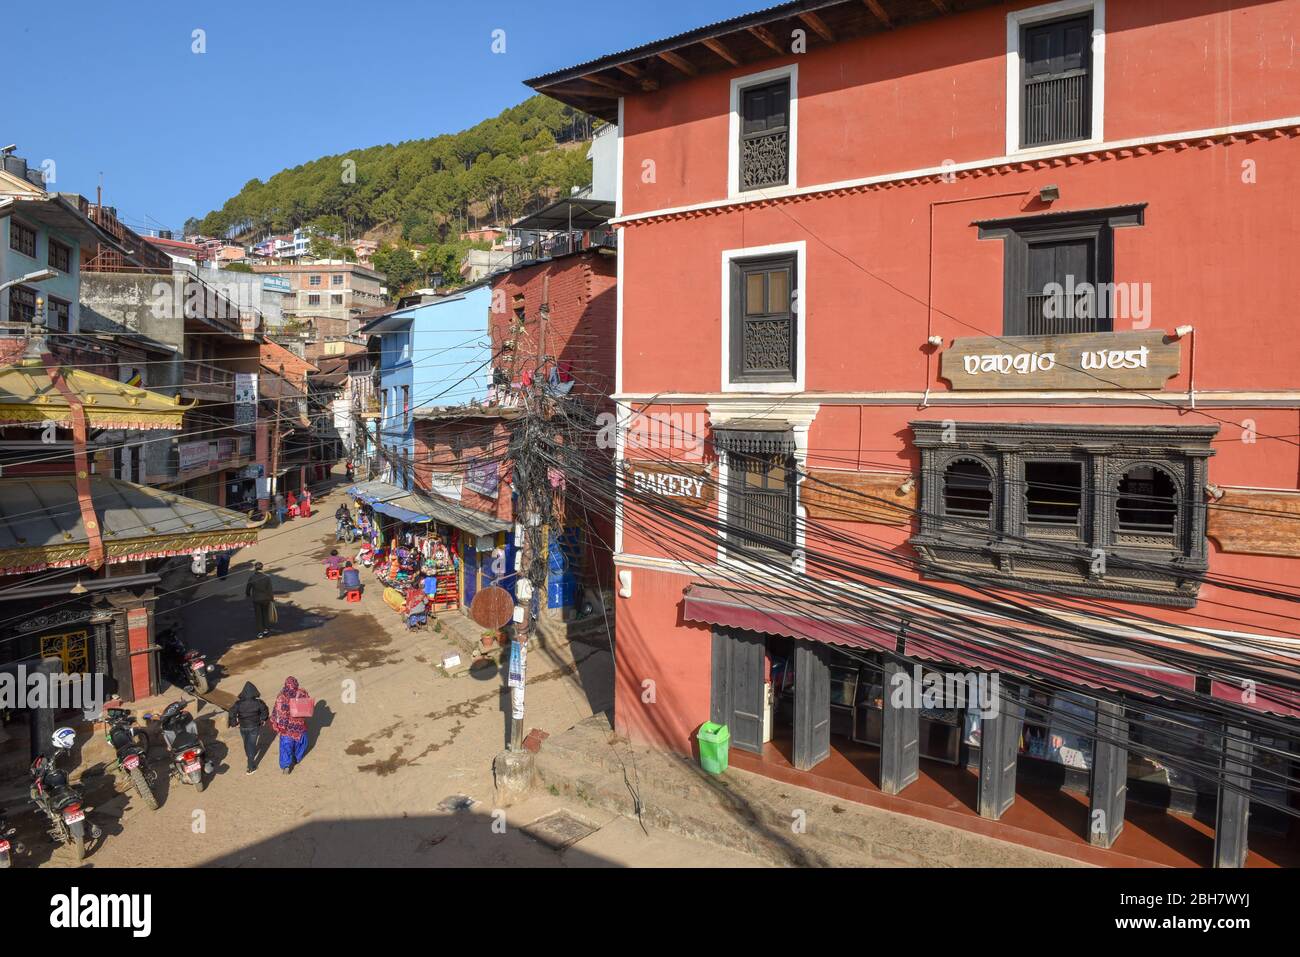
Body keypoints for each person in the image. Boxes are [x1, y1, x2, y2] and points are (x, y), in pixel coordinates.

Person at [271, 676, 311, 774]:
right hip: (299, 727)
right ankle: (297, 758)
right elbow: (308, 705)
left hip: (286, 729)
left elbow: (276, 711)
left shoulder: (281, 696)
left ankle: (286, 766)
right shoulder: (302, 693)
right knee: (301, 744)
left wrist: (275, 723)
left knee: (285, 747)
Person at [227, 681, 269, 775]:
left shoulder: (238, 704)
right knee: (251, 744)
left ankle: (249, 757)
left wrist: (234, 723)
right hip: (254, 726)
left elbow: (231, 712)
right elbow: (265, 711)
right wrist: (263, 719)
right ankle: (251, 767)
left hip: (242, 726)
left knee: (246, 743)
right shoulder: (258, 702)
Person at [245, 561, 276, 638]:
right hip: (266, 599)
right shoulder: (267, 577)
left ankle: (260, 632)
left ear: (255, 569)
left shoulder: (252, 578)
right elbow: (270, 590)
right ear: (262, 568)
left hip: (256, 599)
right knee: (265, 614)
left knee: (258, 615)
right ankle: (266, 629)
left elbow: (248, 588)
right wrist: (271, 599)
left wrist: (248, 594)